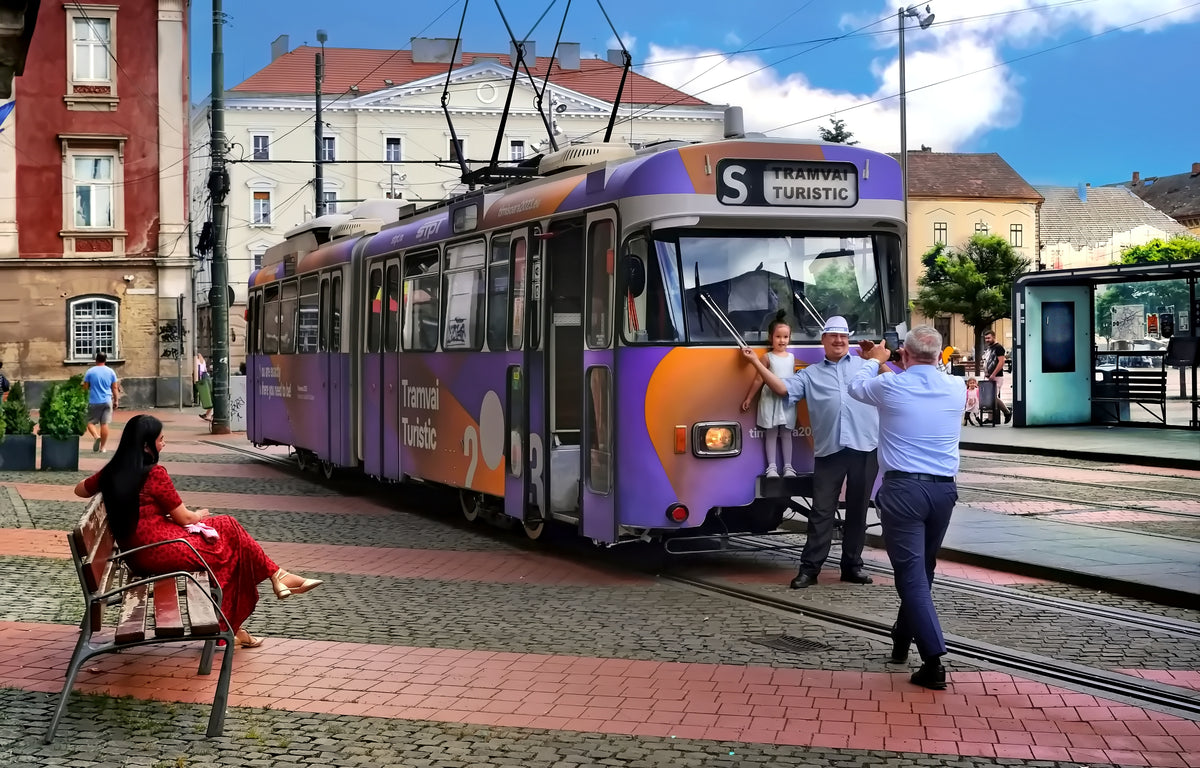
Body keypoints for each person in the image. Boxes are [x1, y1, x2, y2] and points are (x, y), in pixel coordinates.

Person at [73, 414, 323, 649]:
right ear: (147, 446)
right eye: (161, 440)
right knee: (228, 550)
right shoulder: (154, 474)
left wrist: (113, 483)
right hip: (156, 550)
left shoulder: (113, 471)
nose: (164, 444)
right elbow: (184, 517)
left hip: (140, 551)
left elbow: (80, 489)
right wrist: (199, 515)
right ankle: (233, 624)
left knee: (228, 526)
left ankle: (274, 579)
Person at [847, 326, 965, 691]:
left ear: (905, 355)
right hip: (943, 491)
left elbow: (855, 387)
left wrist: (873, 360)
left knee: (911, 574)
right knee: (922, 569)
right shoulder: (957, 387)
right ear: (939, 355)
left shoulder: (890, 385)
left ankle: (933, 659)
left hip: (903, 491)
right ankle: (902, 637)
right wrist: (890, 363)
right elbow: (913, 385)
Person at [739, 315, 880, 589]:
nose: (838, 341)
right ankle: (809, 570)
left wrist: (877, 358)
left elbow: (892, 381)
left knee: (858, 511)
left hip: (864, 447)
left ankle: (852, 566)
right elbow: (781, 389)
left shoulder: (865, 366)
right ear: (823, 340)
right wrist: (756, 362)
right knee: (821, 512)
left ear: (848, 340)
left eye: (843, 336)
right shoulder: (810, 374)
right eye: (833, 336)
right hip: (830, 451)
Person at [740, 310, 797, 478]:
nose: (782, 340)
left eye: (785, 337)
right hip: (770, 399)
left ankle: (788, 466)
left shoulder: (792, 357)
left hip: (786, 400)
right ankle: (771, 467)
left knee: (786, 433)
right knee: (771, 433)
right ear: (771, 337)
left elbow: (794, 379)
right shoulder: (767, 357)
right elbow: (759, 379)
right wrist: (749, 398)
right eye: (778, 336)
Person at [82, 352, 120, 453]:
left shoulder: (90, 372)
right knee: (104, 424)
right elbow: (114, 387)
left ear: (96, 360)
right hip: (107, 401)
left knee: (89, 422)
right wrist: (116, 400)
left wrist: (84, 398)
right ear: (105, 360)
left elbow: (85, 388)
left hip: (94, 401)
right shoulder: (111, 372)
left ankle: (96, 436)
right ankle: (102, 447)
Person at [982, 330, 1012, 424]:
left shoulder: (999, 348)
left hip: (997, 376)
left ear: (994, 337)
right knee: (988, 396)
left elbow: (1001, 362)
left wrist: (993, 374)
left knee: (992, 396)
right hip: (989, 376)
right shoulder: (990, 348)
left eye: (989, 338)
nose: (987, 340)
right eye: (986, 338)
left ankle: (1007, 412)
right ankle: (990, 418)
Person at [194, 352, 213, 421]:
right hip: (206, 376)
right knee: (210, 398)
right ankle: (207, 414)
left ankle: (208, 415)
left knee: (209, 398)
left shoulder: (196, 361)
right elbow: (205, 369)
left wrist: (196, 380)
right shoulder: (203, 361)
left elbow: (197, 371)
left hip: (202, 377)